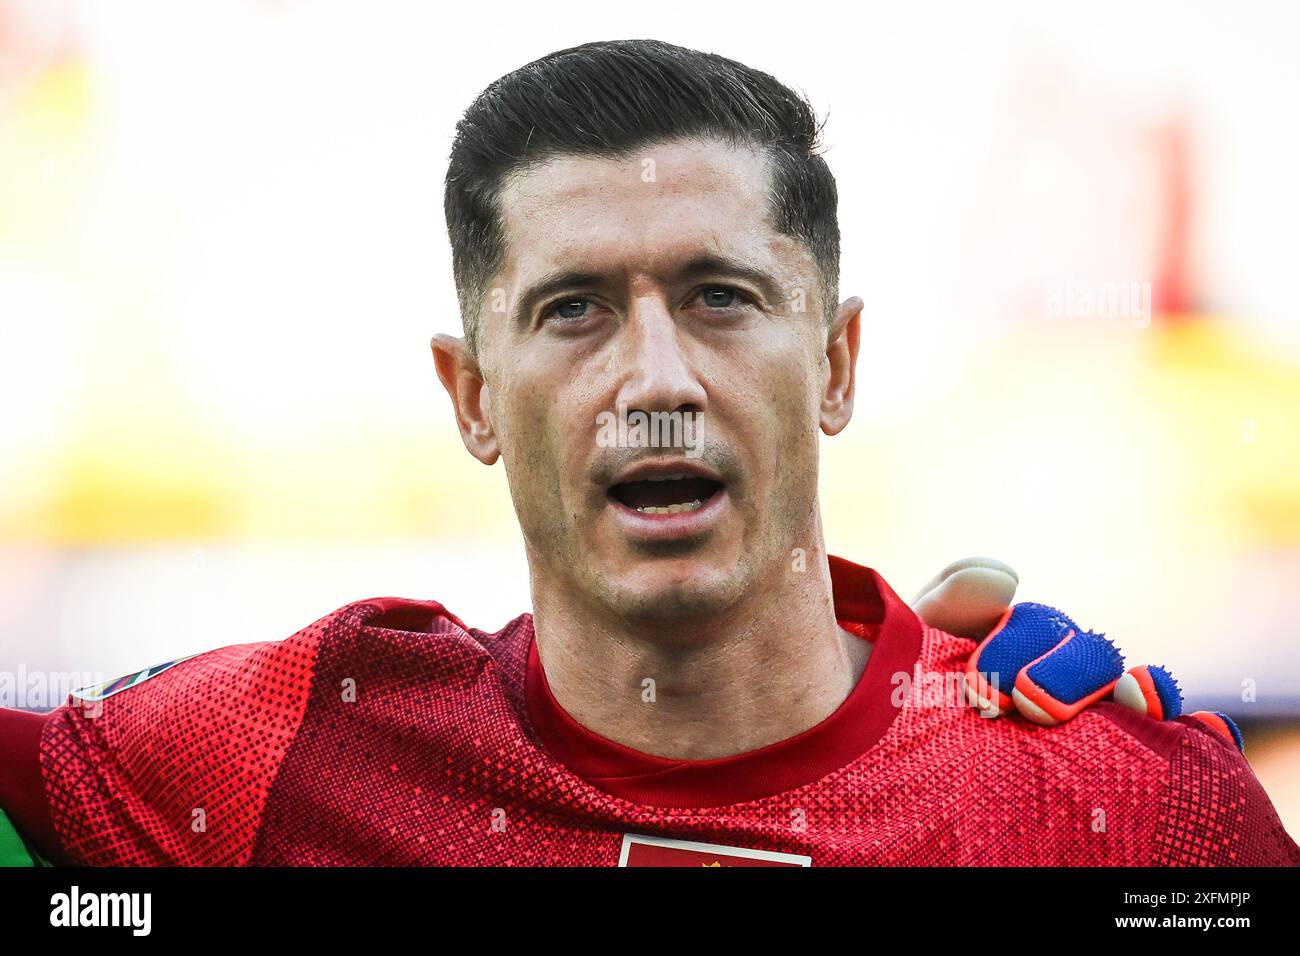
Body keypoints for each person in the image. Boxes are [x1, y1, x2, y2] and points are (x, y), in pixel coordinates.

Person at [1, 39, 1292, 867]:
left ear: (836, 363)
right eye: (574, 310)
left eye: (721, 295)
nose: (658, 378)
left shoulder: (1119, 806)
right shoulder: (277, 747)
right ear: (471, 395)